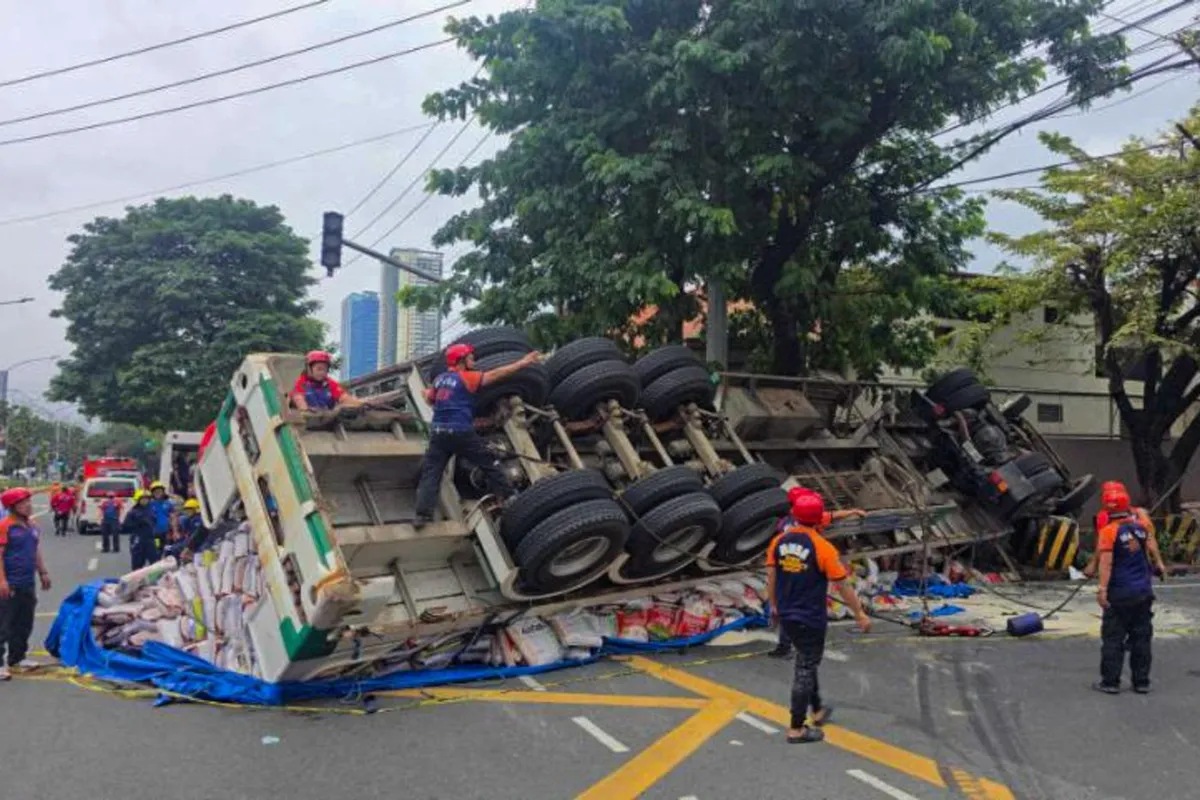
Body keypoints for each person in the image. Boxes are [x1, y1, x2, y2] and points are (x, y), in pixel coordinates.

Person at [767, 491, 871, 744]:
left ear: (794, 514)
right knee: (805, 667)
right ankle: (796, 728)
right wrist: (859, 614)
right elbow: (843, 586)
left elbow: (772, 577)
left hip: (787, 612)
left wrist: (773, 606)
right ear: (819, 519)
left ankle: (818, 709)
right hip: (810, 616)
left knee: (806, 660)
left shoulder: (779, 542)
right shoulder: (824, 549)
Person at [413, 344, 540, 525]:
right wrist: (523, 362)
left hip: (439, 433)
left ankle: (422, 516)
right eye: (471, 358)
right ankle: (510, 496)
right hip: (461, 432)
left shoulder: (440, 380)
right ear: (461, 361)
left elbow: (430, 399)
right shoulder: (468, 378)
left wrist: (425, 393)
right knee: (489, 462)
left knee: (431, 473)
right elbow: (498, 374)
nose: (474, 361)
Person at [769, 487, 867, 658]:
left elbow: (772, 573)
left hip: (787, 573)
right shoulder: (821, 542)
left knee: (788, 607)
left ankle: (784, 646)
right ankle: (805, 650)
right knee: (808, 608)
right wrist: (859, 613)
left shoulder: (783, 526)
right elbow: (842, 583)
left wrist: (772, 602)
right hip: (808, 570)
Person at [1094, 482, 1166, 694]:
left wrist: (1102, 589)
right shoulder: (1141, 527)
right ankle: (1141, 682)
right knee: (1141, 638)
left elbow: (1106, 563)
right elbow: (1149, 550)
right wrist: (1159, 565)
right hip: (1143, 592)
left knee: (1113, 639)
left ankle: (1110, 682)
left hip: (1119, 594)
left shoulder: (1109, 531)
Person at [0, 488, 52, 681]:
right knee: (3, 624)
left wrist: (43, 572)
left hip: (27, 581)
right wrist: (2, 581)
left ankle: (17, 657)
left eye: (29, 502)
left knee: (24, 622)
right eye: (24, 503)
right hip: (9, 583)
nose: (29, 506)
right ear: (12, 507)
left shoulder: (32, 525)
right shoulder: (5, 526)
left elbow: (35, 551)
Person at [1083, 481, 1154, 578]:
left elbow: (1102, 545)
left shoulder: (1104, 518)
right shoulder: (1140, 514)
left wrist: (1093, 565)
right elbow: (1150, 541)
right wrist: (1158, 563)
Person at [291, 350, 364, 411]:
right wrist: (306, 410)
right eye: (319, 369)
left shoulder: (330, 383)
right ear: (309, 368)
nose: (322, 372)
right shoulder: (301, 382)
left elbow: (343, 397)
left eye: (325, 369)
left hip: (327, 420)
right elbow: (299, 399)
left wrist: (361, 404)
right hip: (307, 421)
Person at [122, 490, 158, 570]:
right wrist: (138, 524)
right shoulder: (132, 512)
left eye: (147, 499)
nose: (145, 501)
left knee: (155, 562)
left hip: (150, 539)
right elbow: (125, 526)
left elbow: (155, 522)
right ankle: (136, 580)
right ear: (138, 500)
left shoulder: (152, 510)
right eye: (143, 499)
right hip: (137, 539)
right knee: (137, 563)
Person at [147, 481, 176, 559]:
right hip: (155, 533)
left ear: (163, 492)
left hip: (167, 532)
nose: (158, 493)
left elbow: (173, 517)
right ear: (152, 493)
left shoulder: (168, 503)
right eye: (155, 492)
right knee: (157, 550)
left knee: (168, 550)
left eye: (160, 491)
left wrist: (175, 531)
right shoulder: (149, 504)